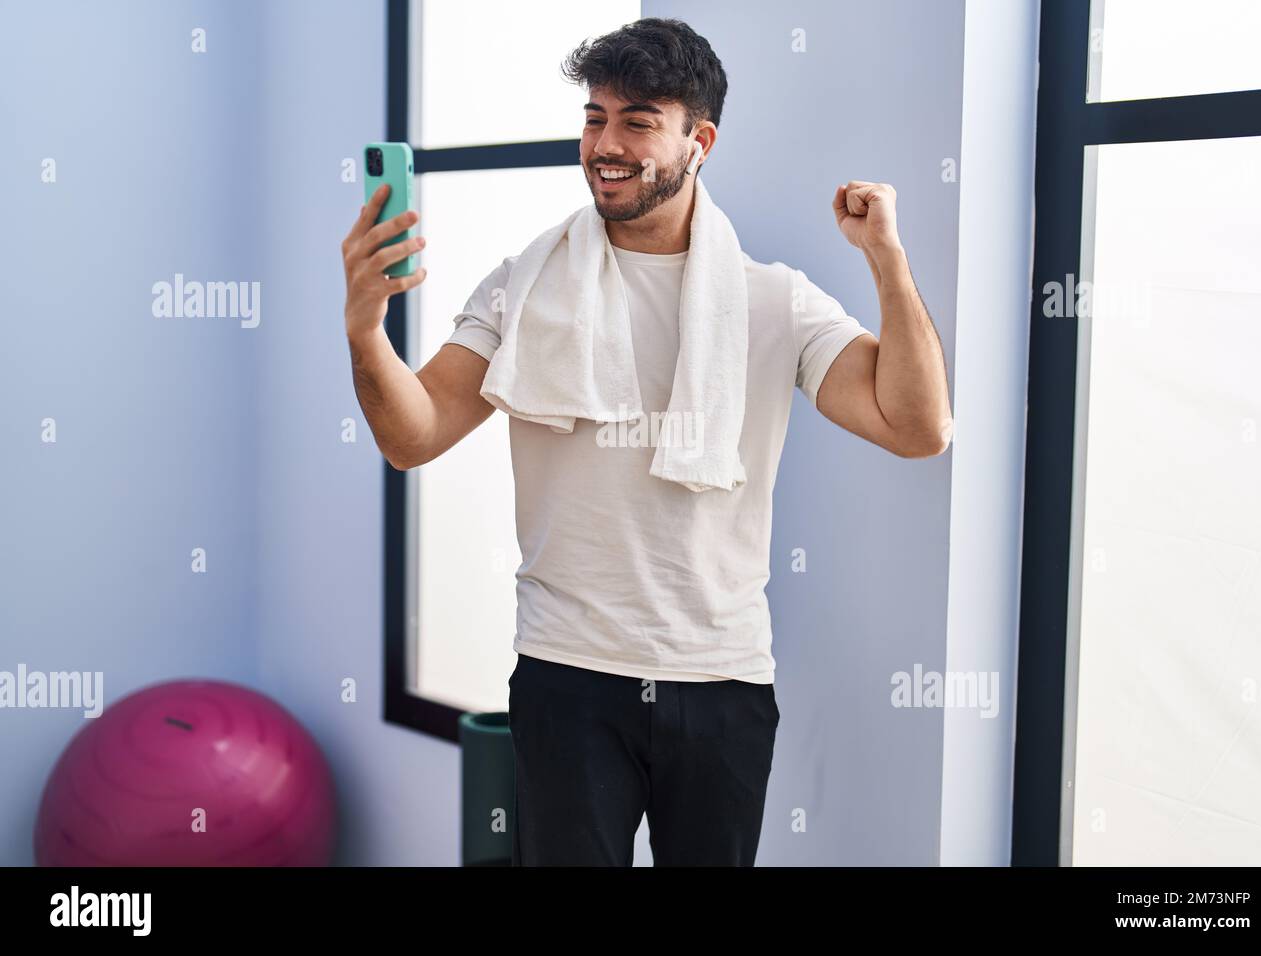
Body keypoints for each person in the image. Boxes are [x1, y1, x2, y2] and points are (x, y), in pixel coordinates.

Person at [340, 18, 952, 866]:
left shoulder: (773, 300)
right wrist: (366, 329)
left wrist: (886, 258)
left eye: (638, 121)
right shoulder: (525, 285)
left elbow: (918, 428)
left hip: (723, 680)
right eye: (595, 118)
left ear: (699, 140)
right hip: (566, 673)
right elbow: (414, 437)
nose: (606, 145)